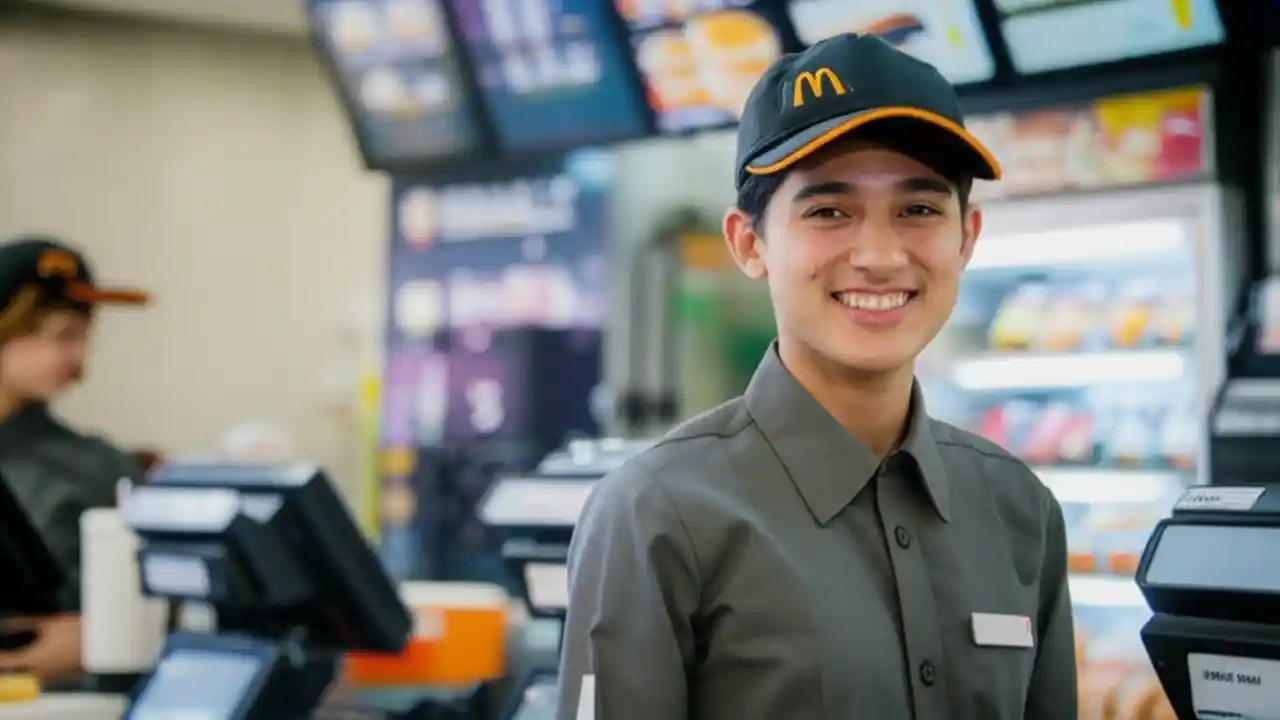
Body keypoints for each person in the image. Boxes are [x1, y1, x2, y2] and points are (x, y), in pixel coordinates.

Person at [558, 33, 1075, 720]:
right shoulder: (655, 515)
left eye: (918, 210)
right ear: (750, 243)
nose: (880, 256)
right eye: (829, 212)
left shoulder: (1019, 509)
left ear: (967, 238)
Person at [0, 236, 149, 685]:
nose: (77, 357)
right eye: (58, 335)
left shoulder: (102, 468)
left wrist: (95, 638)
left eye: (82, 335)